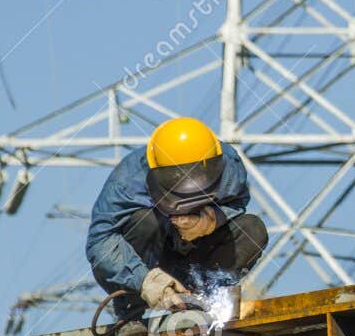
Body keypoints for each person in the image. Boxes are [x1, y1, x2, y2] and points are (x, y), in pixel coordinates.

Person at [86, 117, 268, 315]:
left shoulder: (229, 166)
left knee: (252, 229)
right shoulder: (126, 181)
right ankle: (130, 312)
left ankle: (202, 301)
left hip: (195, 257)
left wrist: (213, 219)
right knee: (145, 222)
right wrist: (144, 279)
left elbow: (238, 203)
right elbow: (100, 242)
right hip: (148, 262)